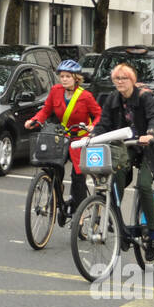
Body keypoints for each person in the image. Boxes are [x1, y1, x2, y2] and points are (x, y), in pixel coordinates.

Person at [96, 62, 154, 257]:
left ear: (132, 80)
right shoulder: (113, 99)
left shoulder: (145, 98)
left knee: (144, 185)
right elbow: (104, 124)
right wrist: (91, 137)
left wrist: (151, 134)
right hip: (128, 146)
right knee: (114, 174)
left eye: (124, 78)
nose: (120, 82)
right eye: (117, 79)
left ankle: (153, 233)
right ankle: (115, 216)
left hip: (151, 148)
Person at [26, 59, 101, 225]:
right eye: (62, 76)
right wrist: (34, 120)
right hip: (63, 137)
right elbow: (45, 111)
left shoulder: (85, 96)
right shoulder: (55, 91)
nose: (64, 79)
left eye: (68, 76)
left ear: (76, 78)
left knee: (78, 176)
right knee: (53, 166)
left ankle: (79, 212)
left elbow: (99, 115)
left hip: (79, 139)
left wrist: (92, 127)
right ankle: (56, 192)